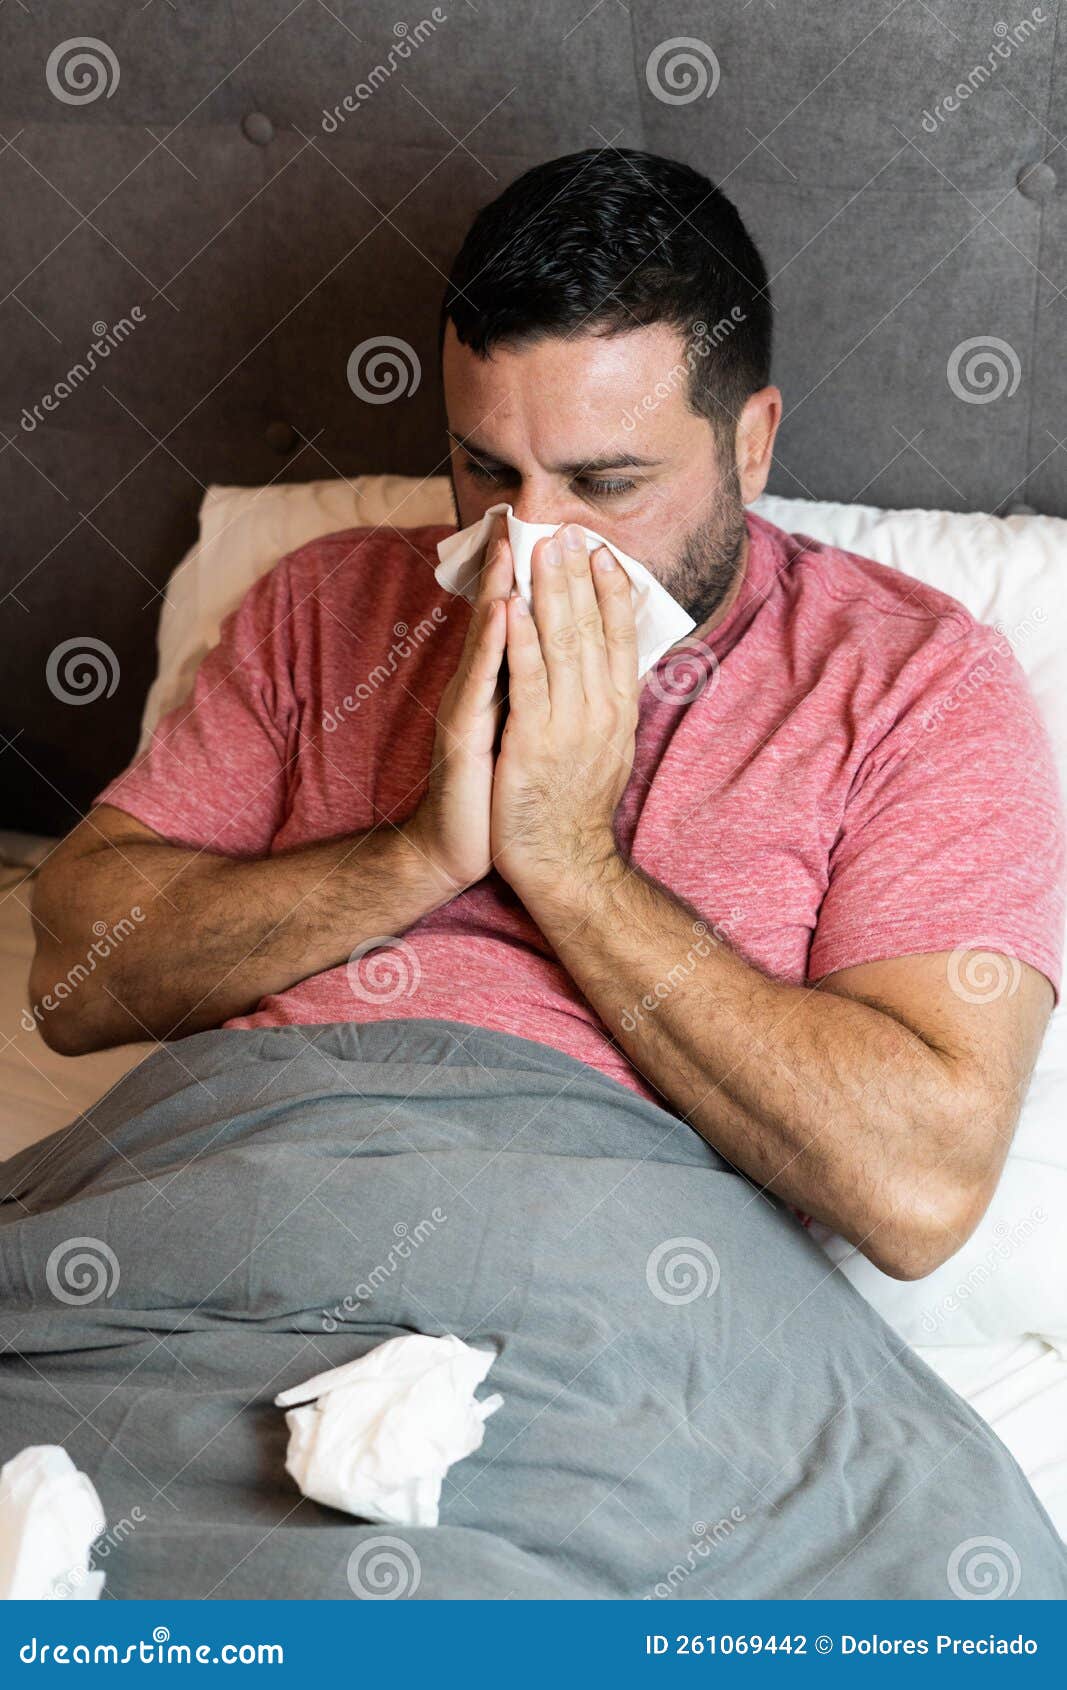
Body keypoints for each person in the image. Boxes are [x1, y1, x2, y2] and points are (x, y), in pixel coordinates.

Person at [30, 148, 1064, 1283]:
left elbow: (919, 1188)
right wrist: (416, 853)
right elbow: (71, 976)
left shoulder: (908, 681)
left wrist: (569, 862)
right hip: (253, 1178)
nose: (531, 540)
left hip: (611, 1251)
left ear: (751, 441)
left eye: (604, 484)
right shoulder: (330, 603)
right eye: (484, 469)